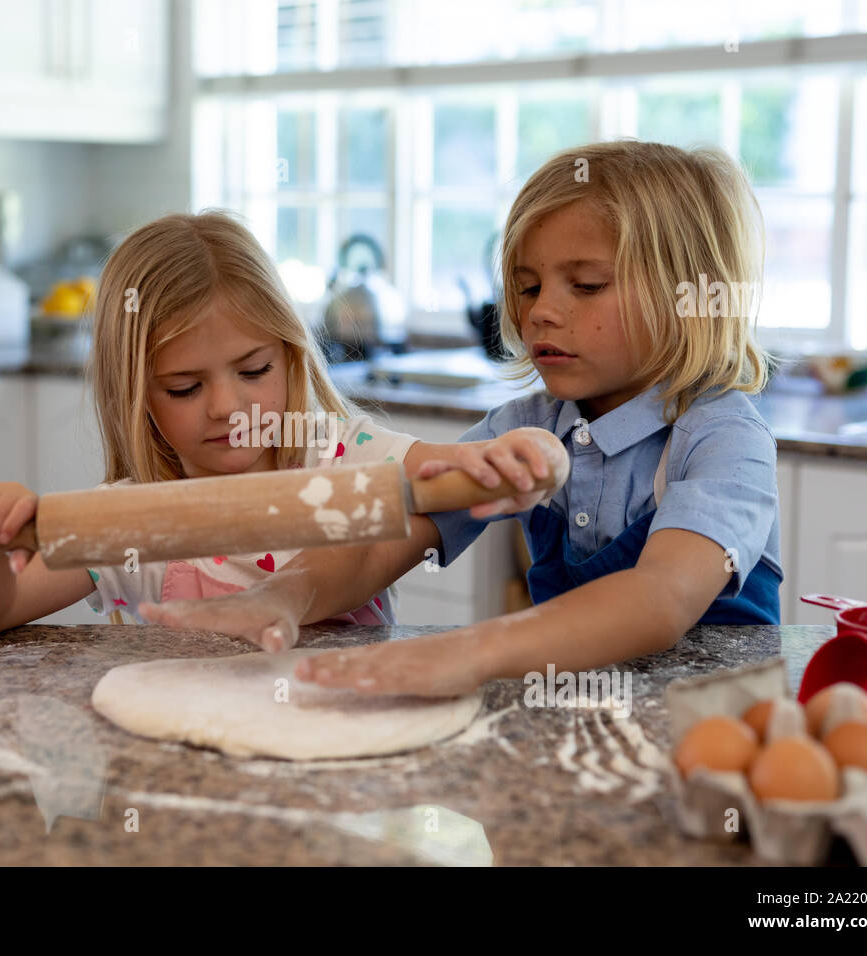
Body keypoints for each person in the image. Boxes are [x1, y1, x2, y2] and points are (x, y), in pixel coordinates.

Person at [144, 142, 781, 696]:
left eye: (584, 285)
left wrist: (474, 650)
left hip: (715, 740)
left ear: (691, 299)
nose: (541, 313)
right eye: (529, 287)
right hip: (574, 722)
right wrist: (284, 595)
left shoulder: (721, 438)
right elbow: (390, 535)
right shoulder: (525, 426)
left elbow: (660, 599)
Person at [0, 211, 561, 635]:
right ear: (135, 397)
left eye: (254, 370)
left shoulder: (342, 456)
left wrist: (523, 450)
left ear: (291, 354)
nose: (228, 408)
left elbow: (452, 469)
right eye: (184, 387)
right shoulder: (131, 520)